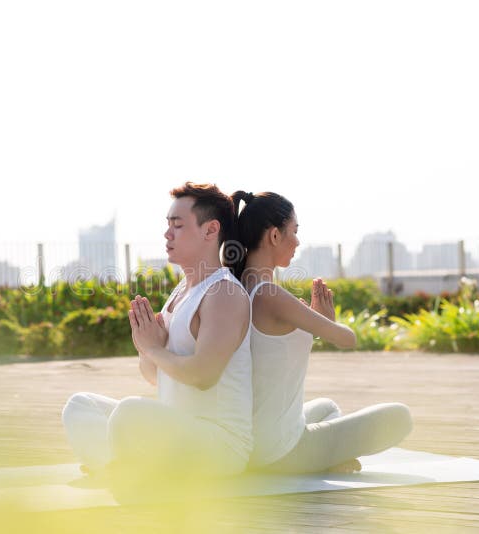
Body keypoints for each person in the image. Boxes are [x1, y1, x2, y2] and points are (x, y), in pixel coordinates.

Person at [61, 182, 253, 479]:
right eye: (168, 225)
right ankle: (122, 467)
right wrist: (148, 349)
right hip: (175, 431)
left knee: (129, 414)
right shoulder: (180, 293)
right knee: (80, 406)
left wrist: (153, 349)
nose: (167, 234)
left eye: (178, 225)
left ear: (210, 230)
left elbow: (203, 376)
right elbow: (155, 377)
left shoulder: (224, 294)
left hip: (220, 445)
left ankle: (121, 465)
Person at [228, 190, 413, 474]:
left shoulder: (239, 288)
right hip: (280, 450)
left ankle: (327, 459)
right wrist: (322, 321)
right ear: (274, 236)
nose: (298, 240)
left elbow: (271, 350)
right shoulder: (269, 295)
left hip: (252, 441)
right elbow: (347, 338)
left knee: (326, 406)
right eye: (294, 231)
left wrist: (311, 324)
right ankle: (320, 462)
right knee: (400, 417)